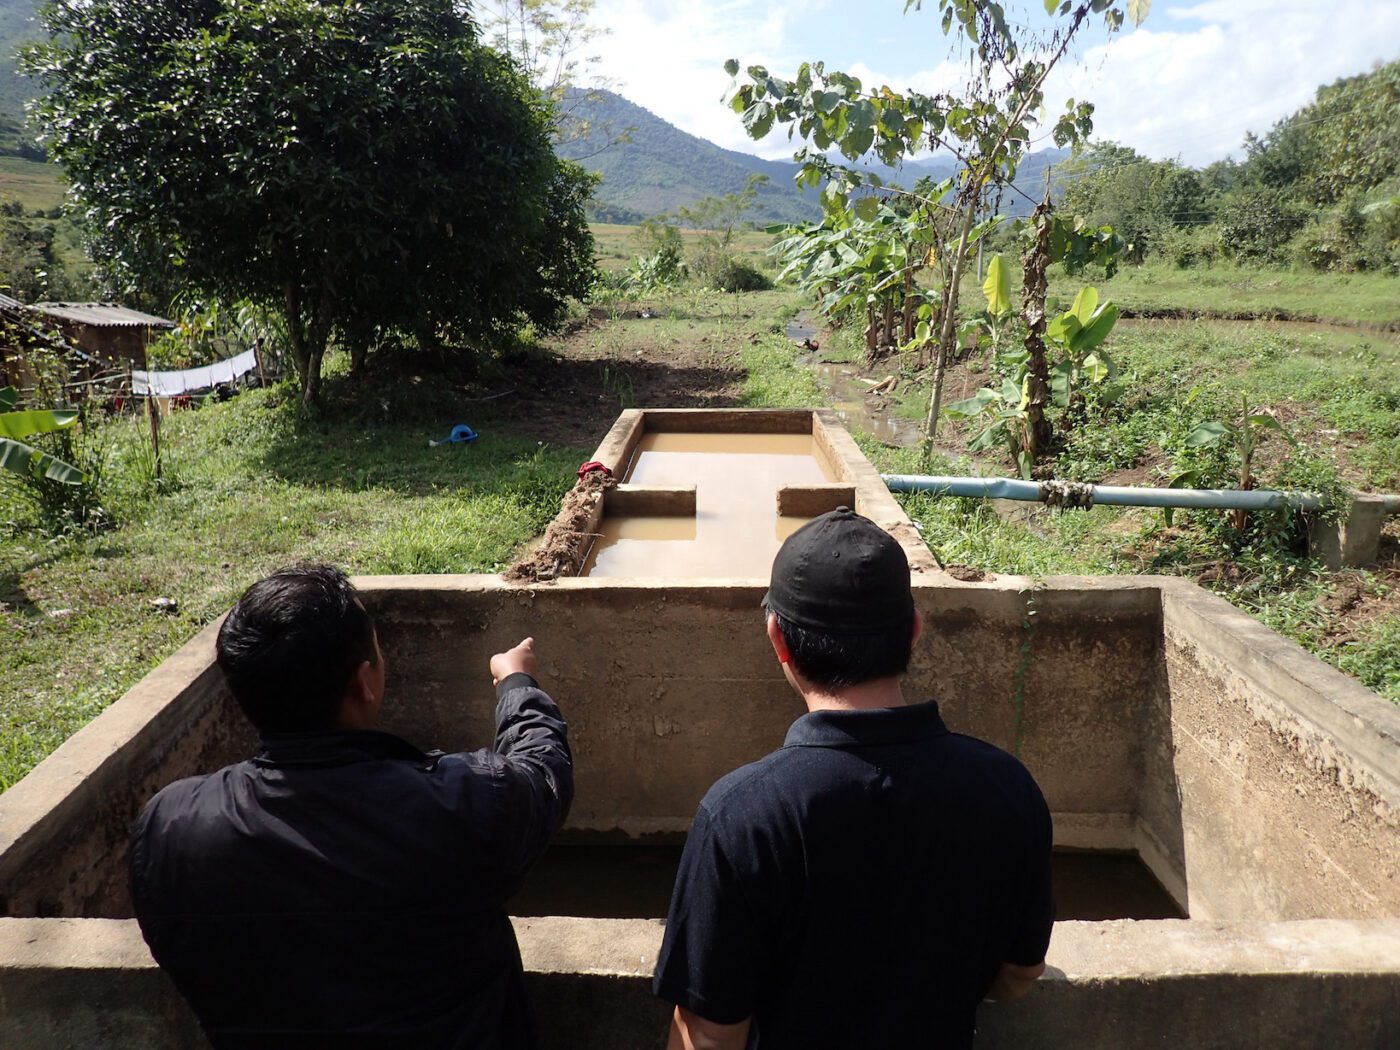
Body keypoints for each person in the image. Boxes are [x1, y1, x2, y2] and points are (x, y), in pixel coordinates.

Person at [653, 508, 1053, 1050]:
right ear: (913, 631)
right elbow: (1020, 974)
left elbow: (709, 1035)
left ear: (779, 639)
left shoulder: (742, 815)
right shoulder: (1008, 789)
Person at [129, 564, 572, 1049]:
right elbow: (541, 773)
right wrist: (516, 686)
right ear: (365, 682)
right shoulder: (459, 804)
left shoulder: (171, 828)